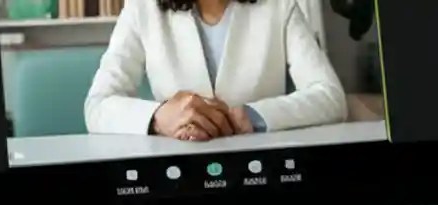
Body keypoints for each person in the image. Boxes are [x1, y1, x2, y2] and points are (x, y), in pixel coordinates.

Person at [85, 0, 347, 141]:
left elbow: (330, 97)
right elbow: (98, 105)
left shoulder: (280, 5)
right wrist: (158, 117)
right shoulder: (141, 8)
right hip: (175, 171)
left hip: (260, 168)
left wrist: (252, 116)